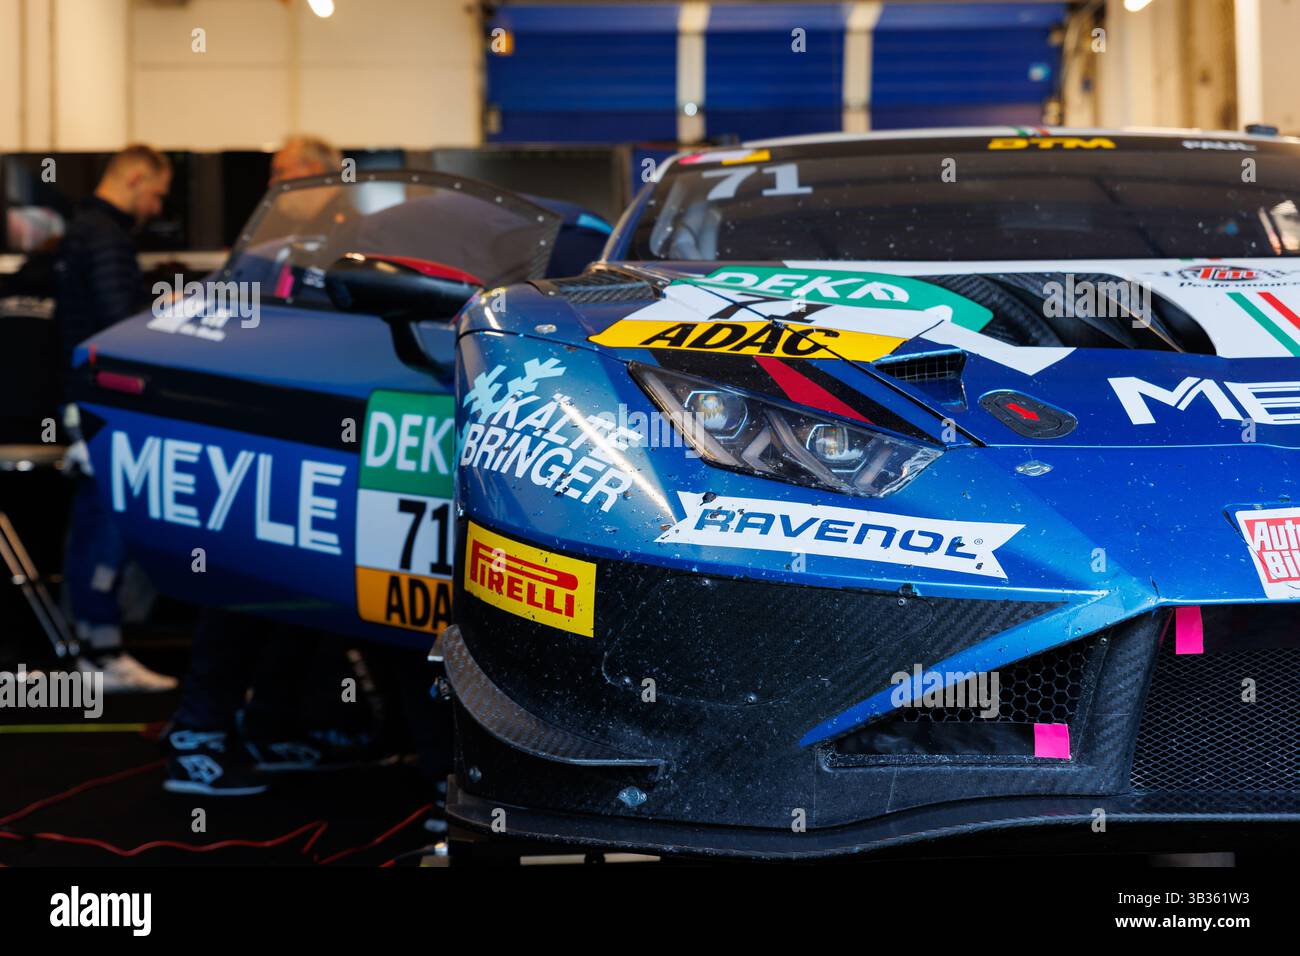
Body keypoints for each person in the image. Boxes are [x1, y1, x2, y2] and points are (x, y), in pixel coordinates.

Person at [55, 145, 178, 693]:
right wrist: (168, 309)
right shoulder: (104, 236)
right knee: (106, 518)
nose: (155, 207)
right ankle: (101, 653)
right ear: (134, 177)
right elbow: (115, 321)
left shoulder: (80, 229)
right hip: (102, 400)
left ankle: (95, 647)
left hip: (83, 396)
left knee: (95, 519)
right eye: (155, 193)